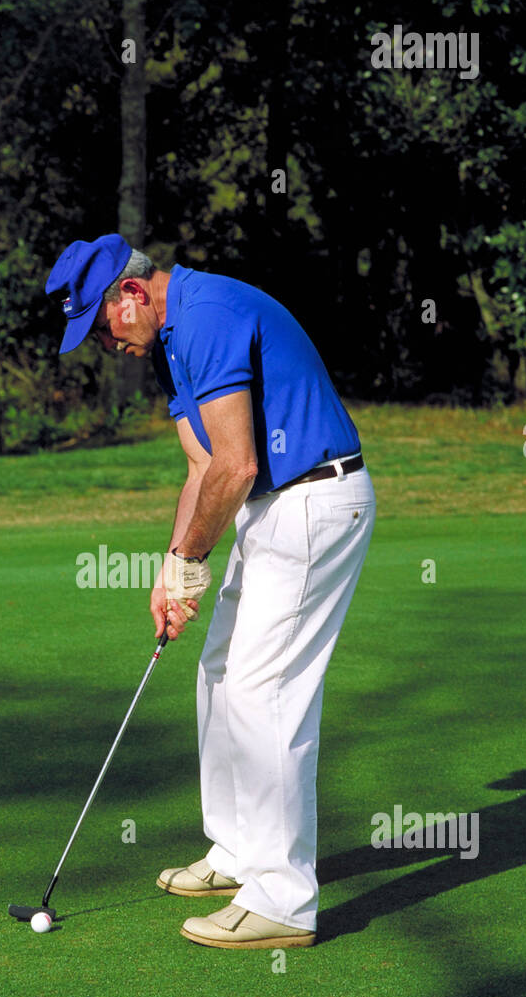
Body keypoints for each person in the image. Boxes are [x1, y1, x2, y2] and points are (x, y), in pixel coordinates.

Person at [46, 233, 375, 948]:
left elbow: (238, 463)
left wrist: (195, 558)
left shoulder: (206, 316)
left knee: (265, 690)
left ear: (130, 295)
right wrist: (175, 570)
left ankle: (283, 901)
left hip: (314, 501)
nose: (108, 346)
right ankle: (235, 853)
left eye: (102, 328)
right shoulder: (171, 339)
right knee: (219, 672)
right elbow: (201, 467)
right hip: (273, 509)